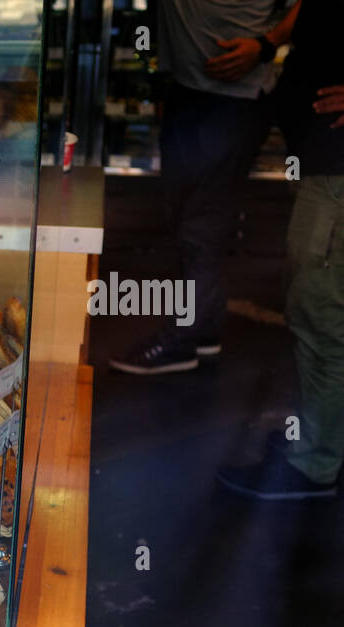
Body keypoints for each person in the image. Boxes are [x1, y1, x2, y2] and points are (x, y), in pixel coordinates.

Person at [110, 0, 299, 375]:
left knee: (200, 222)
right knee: (181, 212)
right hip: (185, 91)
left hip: (236, 99)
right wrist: (155, 73)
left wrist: (265, 44)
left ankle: (183, 338)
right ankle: (204, 327)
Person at [217, 0, 344, 499]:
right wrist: (270, 43)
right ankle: (323, 440)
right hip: (322, 163)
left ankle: (314, 464)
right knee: (320, 310)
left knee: (322, 314)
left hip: (336, 174)